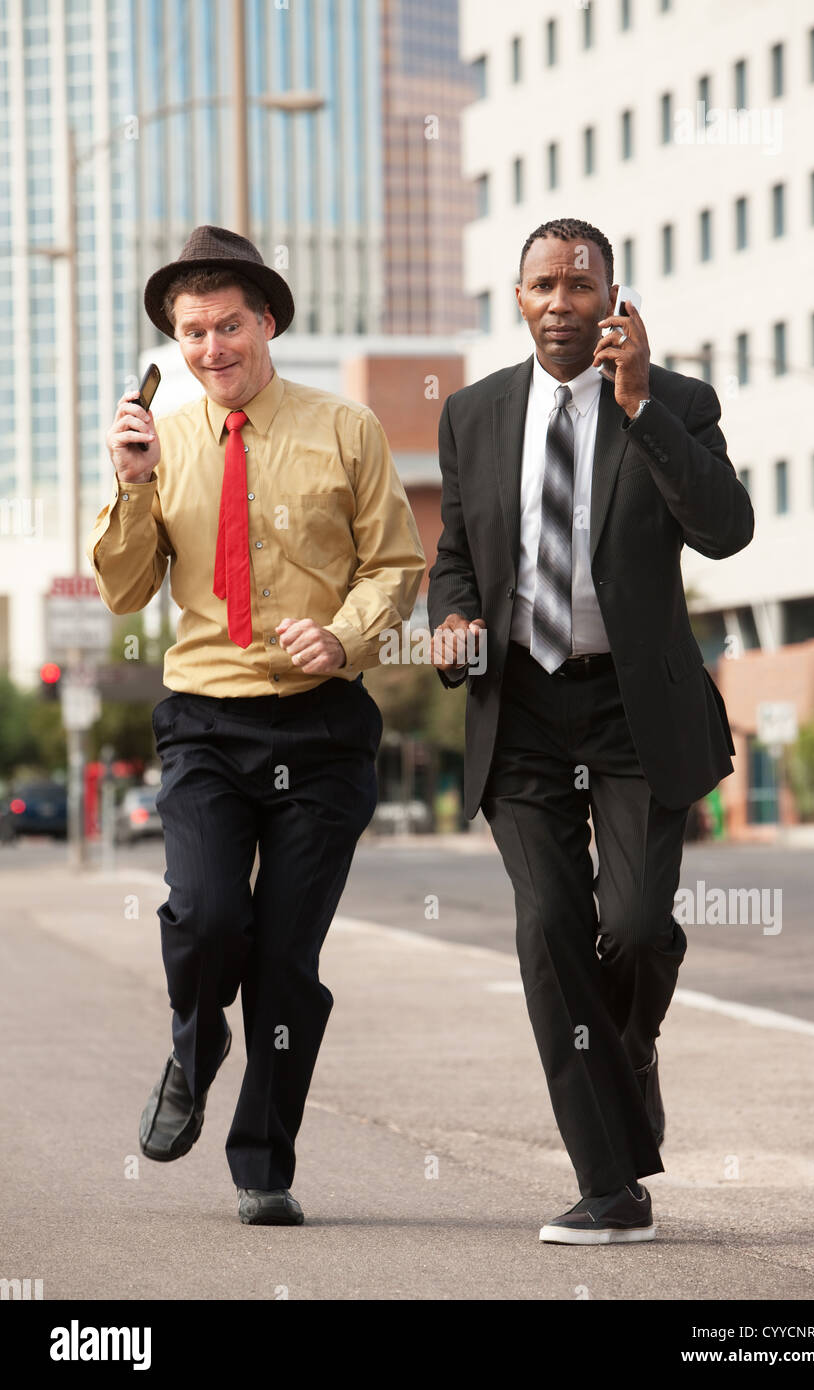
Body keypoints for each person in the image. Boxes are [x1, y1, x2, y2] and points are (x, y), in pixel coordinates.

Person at [88, 225, 425, 1225]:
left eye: (227, 324)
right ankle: (196, 1046)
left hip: (321, 730)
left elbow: (397, 566)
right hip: (204, 720)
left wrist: (347, 634)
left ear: (266, 320)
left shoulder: (344, 429)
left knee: (284, 959)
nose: (210, 348)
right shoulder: (161, 440)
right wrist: (132, 485)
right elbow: (123, 590)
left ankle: (262, 1160)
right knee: (203, 916)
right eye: (191, 332)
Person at [428, 217, 753, 1245]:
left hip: (633, 704)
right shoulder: (474, 414)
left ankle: (628, 1047)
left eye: (579, 284)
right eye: (540, 285)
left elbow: (725, 528)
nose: (559, 303)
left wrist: (641, 406)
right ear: (514, 298)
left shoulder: (675, 401)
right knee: (546, 932)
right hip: (519, 703)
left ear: (611, 298)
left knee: (640, 926)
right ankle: (609, 1183)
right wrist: (451, 617)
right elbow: (456, 549)